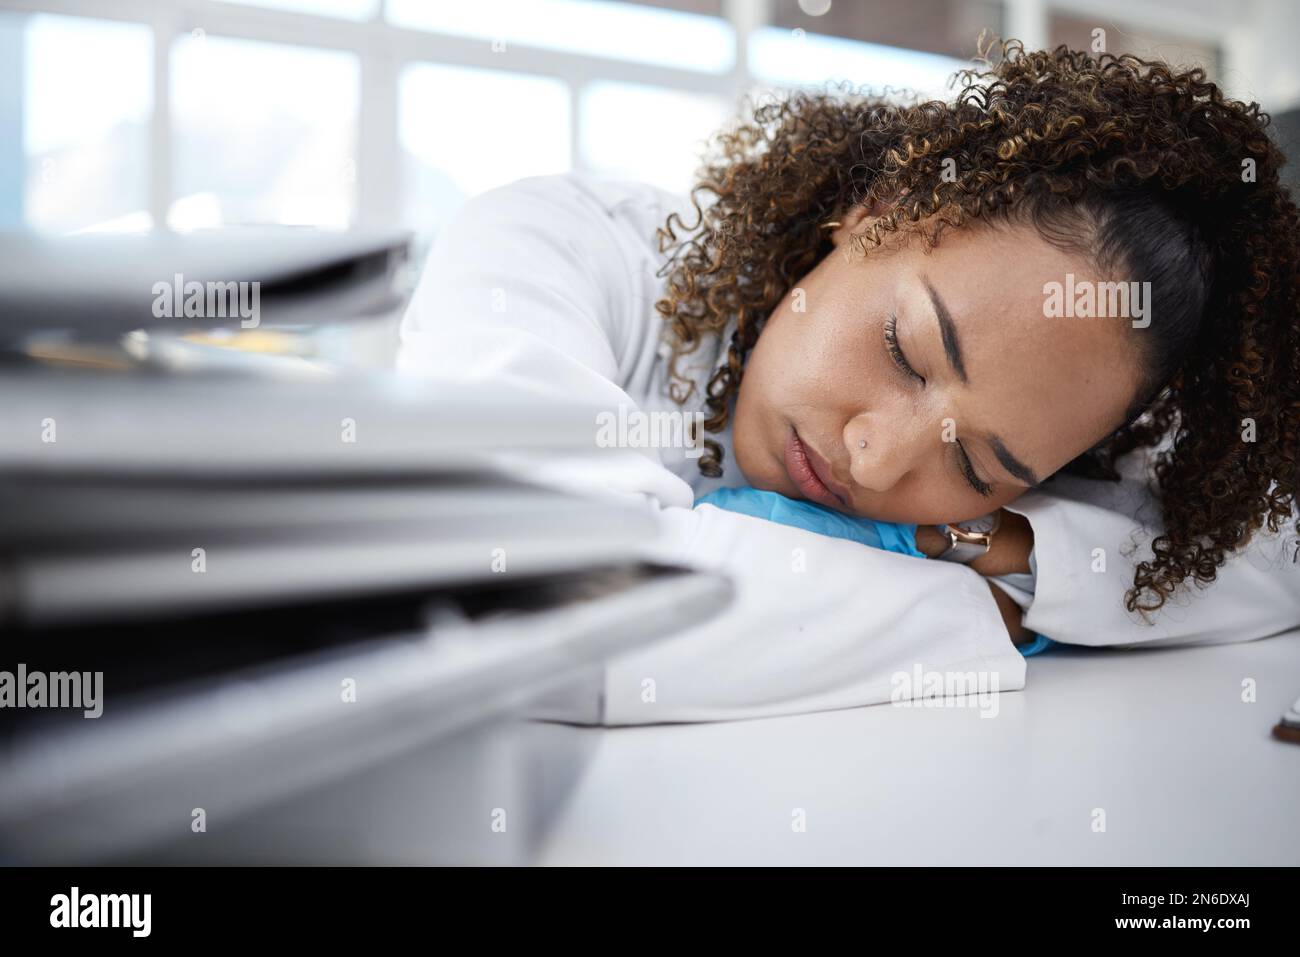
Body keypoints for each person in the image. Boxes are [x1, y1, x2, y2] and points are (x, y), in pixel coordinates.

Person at [396, 41, 1300, 725]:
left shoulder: (1064, 419)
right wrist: (982, 609)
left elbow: (1279, 557)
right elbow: (536, 611)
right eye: (909, 350)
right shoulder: (556, 247)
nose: (875, 458)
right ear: (877, 211)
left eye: (979, 467)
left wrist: (1003, 548)